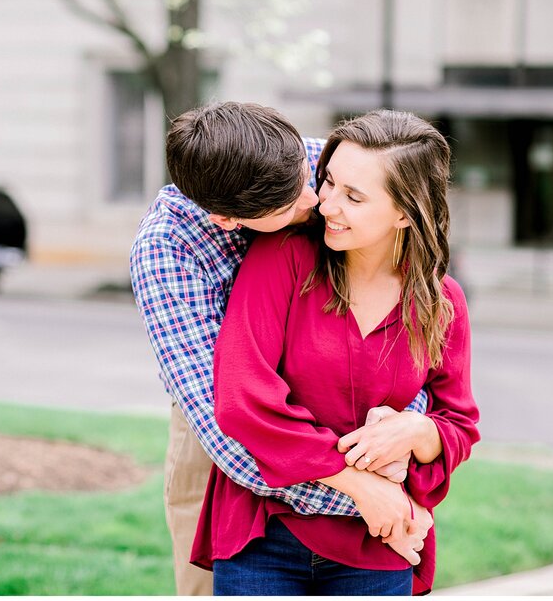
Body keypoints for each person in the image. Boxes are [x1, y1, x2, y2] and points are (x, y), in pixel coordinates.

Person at [130, 102, 432, 595]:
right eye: (292, 205)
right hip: (224, 439)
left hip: (347, 403)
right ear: (230, 221)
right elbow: (226, 429)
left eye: (313, 179)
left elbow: (404, 292)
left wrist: (399, 440)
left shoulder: (316, 167)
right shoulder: (166, 251)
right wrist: (367, 494)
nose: (318, 201)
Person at [190, 109, 481, 595]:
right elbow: (244, 401)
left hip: (375, 545)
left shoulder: (441, 301)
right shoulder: (283, 256)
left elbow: (460, 426)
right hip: (265, 535)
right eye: (328, 183)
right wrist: (361, 483)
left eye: (354, 197)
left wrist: (416, 429)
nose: (325, 205)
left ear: (405, 212)